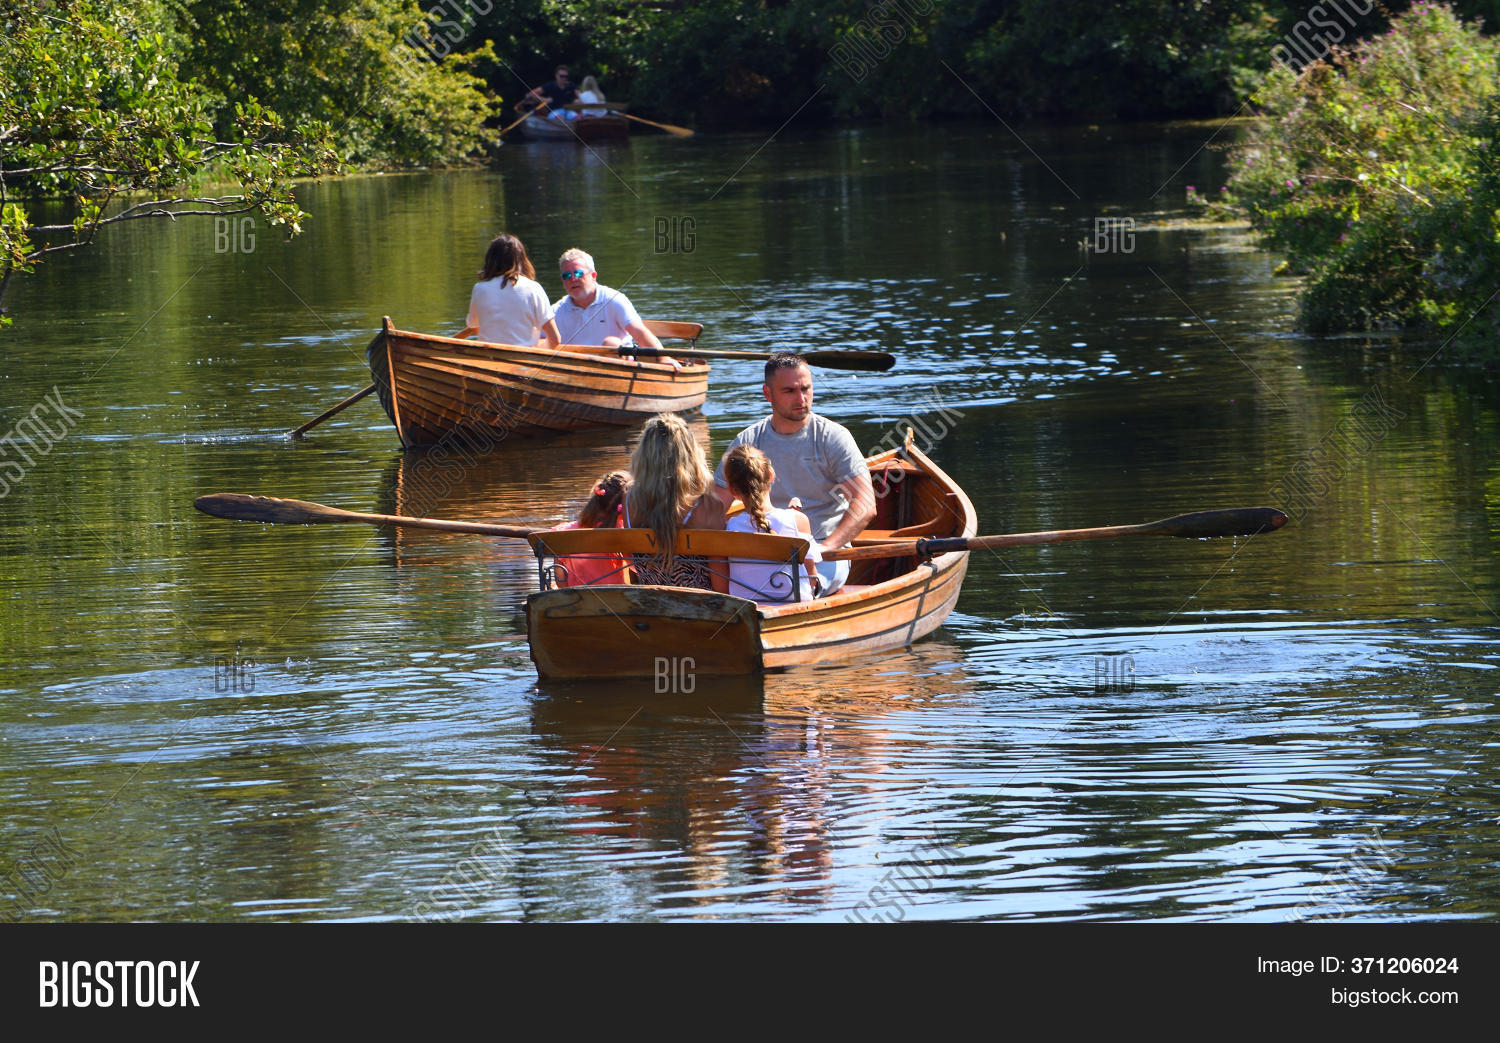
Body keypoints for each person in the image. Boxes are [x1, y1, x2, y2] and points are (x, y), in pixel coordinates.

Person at [714, 354, 875, 596]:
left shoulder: (833, 438)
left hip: (823, 554)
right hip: (756, 552)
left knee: (792, 590)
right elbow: (714, 508)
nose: (801, 399)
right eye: (789, 390)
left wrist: (824, 547)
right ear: (768, 394)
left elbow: (865, 505)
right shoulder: (748, 440)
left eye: (806, 389)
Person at [623, 413, 728, 592]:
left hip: (652, 605)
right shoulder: (708, 505)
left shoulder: (629, 500)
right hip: (703, 608)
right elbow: (721, 582)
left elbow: (631, 560)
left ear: (644, 456)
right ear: (691, 455)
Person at [721, 445, 822, 602]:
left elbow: (723, 586)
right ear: (771, 475)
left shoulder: (730, 527)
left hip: (747, 608)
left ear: (732, 490)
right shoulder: (797, 520)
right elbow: (812, 578)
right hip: (795, 605)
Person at [552, 248, 672, 357]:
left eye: (578, 273)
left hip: (618, 367)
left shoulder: (614, 300)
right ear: (562, 280)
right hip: (574, 370)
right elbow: (540, 342)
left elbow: (639, 333)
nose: (573, 279)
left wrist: (663, 358)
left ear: (593, 276)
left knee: (611, 343)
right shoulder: (555, 311)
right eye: (567, 275)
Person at [458, 233, 561, 348]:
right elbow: (555, 340)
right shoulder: (534, 288)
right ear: (522, 260)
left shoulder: (479, 289)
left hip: (489, 359)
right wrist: (539, 348)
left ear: (490, 260)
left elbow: (474, 326)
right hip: (525, 362)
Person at [552, 471, 629, 587]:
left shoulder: (561, 533)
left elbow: (560, 580)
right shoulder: (623, 533)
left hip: (577, 600)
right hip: (616, 599)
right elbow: (634, 566)